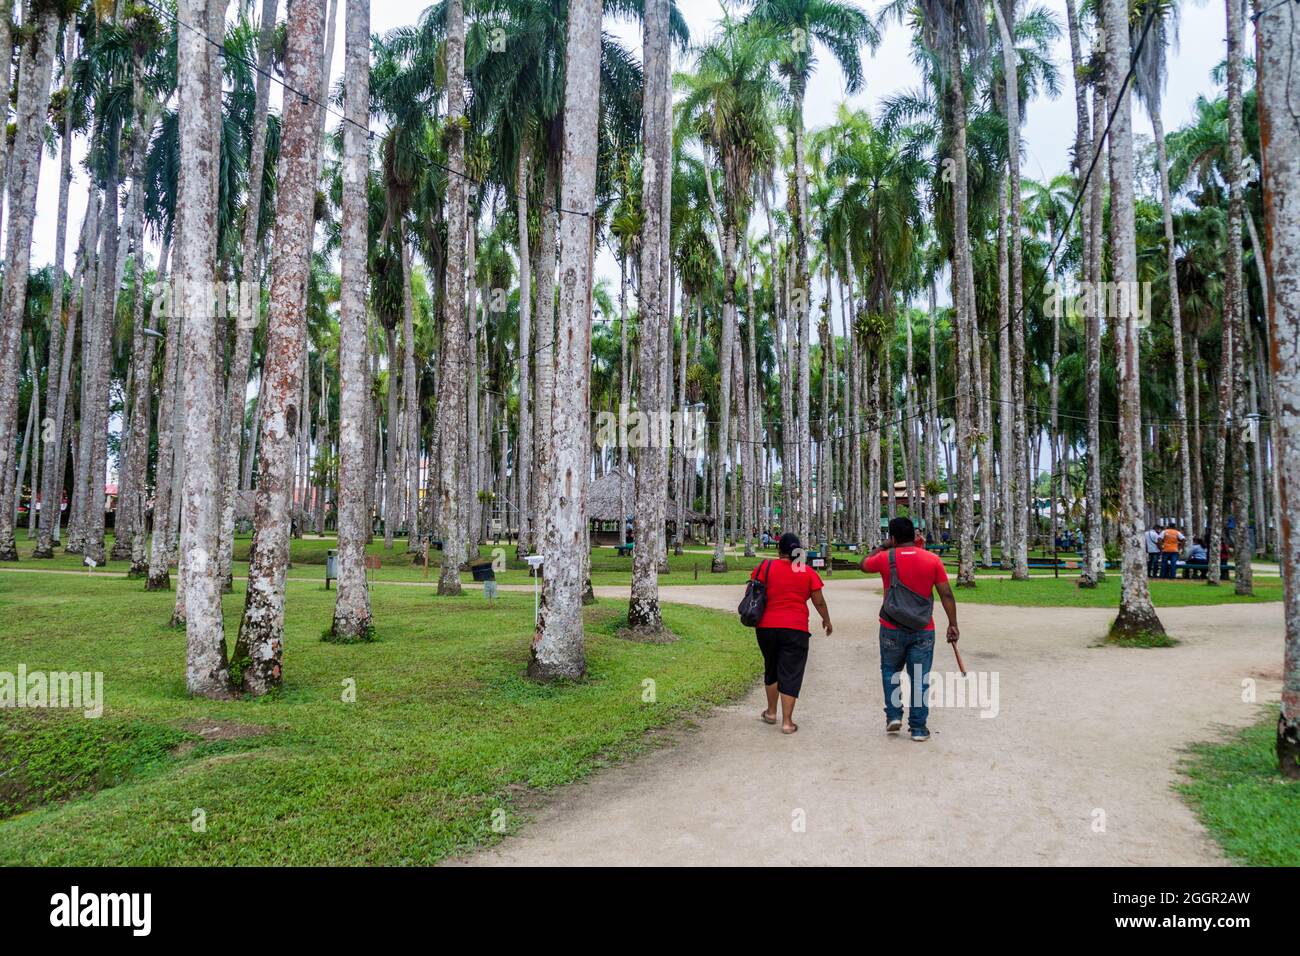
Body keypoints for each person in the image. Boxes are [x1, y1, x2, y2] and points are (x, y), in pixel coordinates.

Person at [860, 516, 960, 742]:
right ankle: (918, 728)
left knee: (889, 671)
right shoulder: (932, 560)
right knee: (920, 677)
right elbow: (946, 594)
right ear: (915, 536)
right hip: (923, 627)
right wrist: (952, 624)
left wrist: (883, 546)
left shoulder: (886, 558)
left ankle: (894, 715)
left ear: (892, 537)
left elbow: (864, 564)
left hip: (890, 626)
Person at [750, 532, 832, 735]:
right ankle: (787, 722)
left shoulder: (764, 567)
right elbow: (818, 600)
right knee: (791, 672)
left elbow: (754, 591)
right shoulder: (806, 571)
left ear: (779, 550)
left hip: (766, 627)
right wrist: (826, 620)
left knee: (772, 667)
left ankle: (770, 712)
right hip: (796, 628)